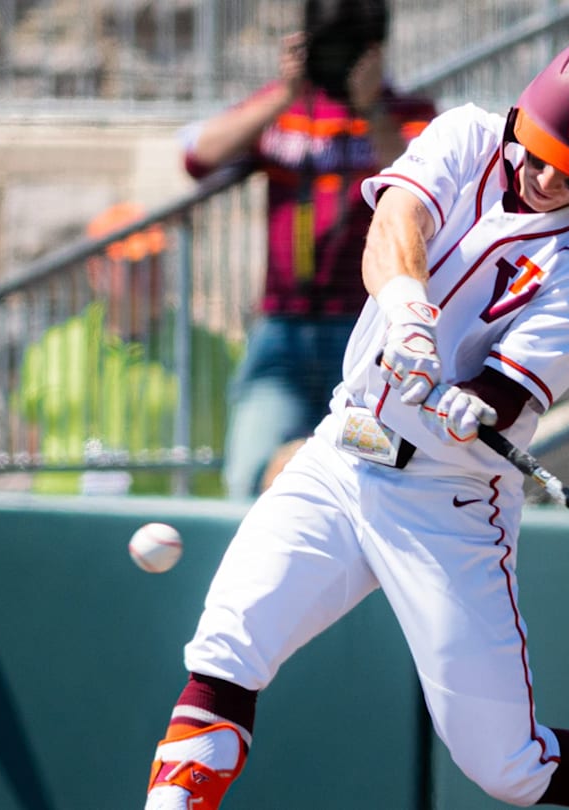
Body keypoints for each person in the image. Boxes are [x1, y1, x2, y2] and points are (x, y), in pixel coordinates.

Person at [145, 39, 569, 810]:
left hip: (446, 501)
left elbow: (506, 397)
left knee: (509, 768)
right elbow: (395, 226)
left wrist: (473, 406)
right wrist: (408, 316)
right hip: (341, 453)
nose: (551, 178)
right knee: (226, 646)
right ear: (523, 119)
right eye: (544, 152)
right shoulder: (464, 135)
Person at [181, 0, 439, 498]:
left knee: (376, 475)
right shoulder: (285, 111)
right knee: (250, 473)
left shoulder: (411, 117)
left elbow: (431, 189)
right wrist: (282, 95)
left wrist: (371, 110)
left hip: (368, 335)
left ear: (377, 52)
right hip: (283, 332)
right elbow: (197, 157)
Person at [15, 202, 237, 497]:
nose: (151, 276)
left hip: (175, 528)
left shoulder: (218, 353)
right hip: (68, 524)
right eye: (134, 266)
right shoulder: (52, 350)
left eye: (157, 261)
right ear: (96, 271)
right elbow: (31, 445)